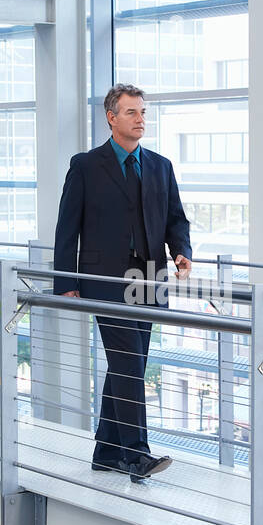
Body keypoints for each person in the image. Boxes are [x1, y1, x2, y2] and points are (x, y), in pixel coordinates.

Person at [53, 83, 193, 482]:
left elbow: (175, 218)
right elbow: (68, 225)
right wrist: (67, 280)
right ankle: (136, 454)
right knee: (129, 362)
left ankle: (105, 452)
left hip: (149, 278)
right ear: (111, 118)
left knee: (128, 365)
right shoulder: (85, 165)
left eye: (143, 112)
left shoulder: (160, 166)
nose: (141, 119)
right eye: (132, 113)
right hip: (104, 280)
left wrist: (181, 250)